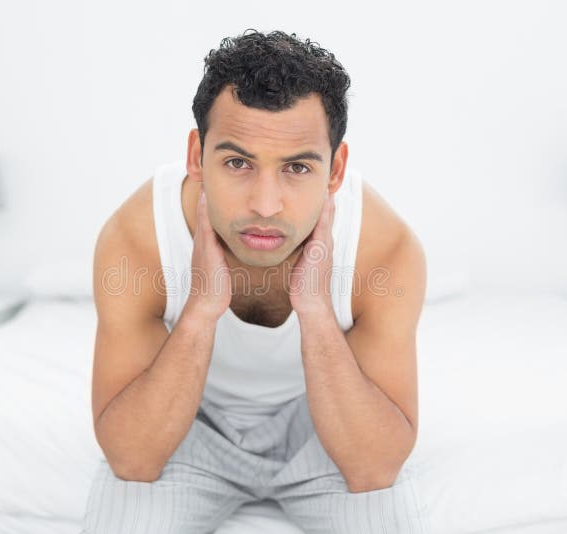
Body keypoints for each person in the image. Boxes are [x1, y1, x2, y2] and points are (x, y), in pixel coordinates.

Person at [82, 28, 428, 534]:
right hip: (187, 417)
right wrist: (202, 309)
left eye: (297, 167)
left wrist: (315, 310)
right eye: (238, 163)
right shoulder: (136, 239)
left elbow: (374, 468)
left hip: (327, 416)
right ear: (197, 156)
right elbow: (133, 460)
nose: (265, 205)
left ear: (336, 170)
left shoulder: (386, 249)